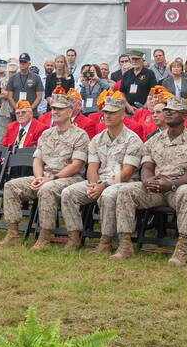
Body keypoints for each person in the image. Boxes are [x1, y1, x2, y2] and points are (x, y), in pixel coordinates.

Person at [112, 95, 187, 265]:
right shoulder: (154, 140)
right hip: (155, 188)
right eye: (167, 110)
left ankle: (182, 248)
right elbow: (147, 167)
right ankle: (125, 244)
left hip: (179, 188)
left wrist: (172, 184)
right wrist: (147, 181)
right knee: (125, 190)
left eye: (173, 111)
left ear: (184, 115)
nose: (168, 113)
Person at [0, 90, 89, 248]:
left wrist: (51, 179)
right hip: (44, 177)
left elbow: (76, 165)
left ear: (69, 111)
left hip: (69, 179)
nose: (55, 112)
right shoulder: (46, 134)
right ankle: (13, 233)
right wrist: (39, 177)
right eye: (53, 108)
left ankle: (45, 237)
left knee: (47, 189)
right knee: (11, 186)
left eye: (59, 109)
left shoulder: (80, 135)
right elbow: (38, 159)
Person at [59, 91, 142, 254]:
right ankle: (74, 237)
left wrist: (103, 186)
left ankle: (105, 241)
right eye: (105, 112)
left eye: (112, 112)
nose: (107, 115)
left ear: (123, 115)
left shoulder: (133, 140)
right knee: (68, 193)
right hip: (99, 181)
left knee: (108, 195)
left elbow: (126, 172)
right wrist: (93, 184)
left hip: (124, 183)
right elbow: (92, 167)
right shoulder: (97, 139)